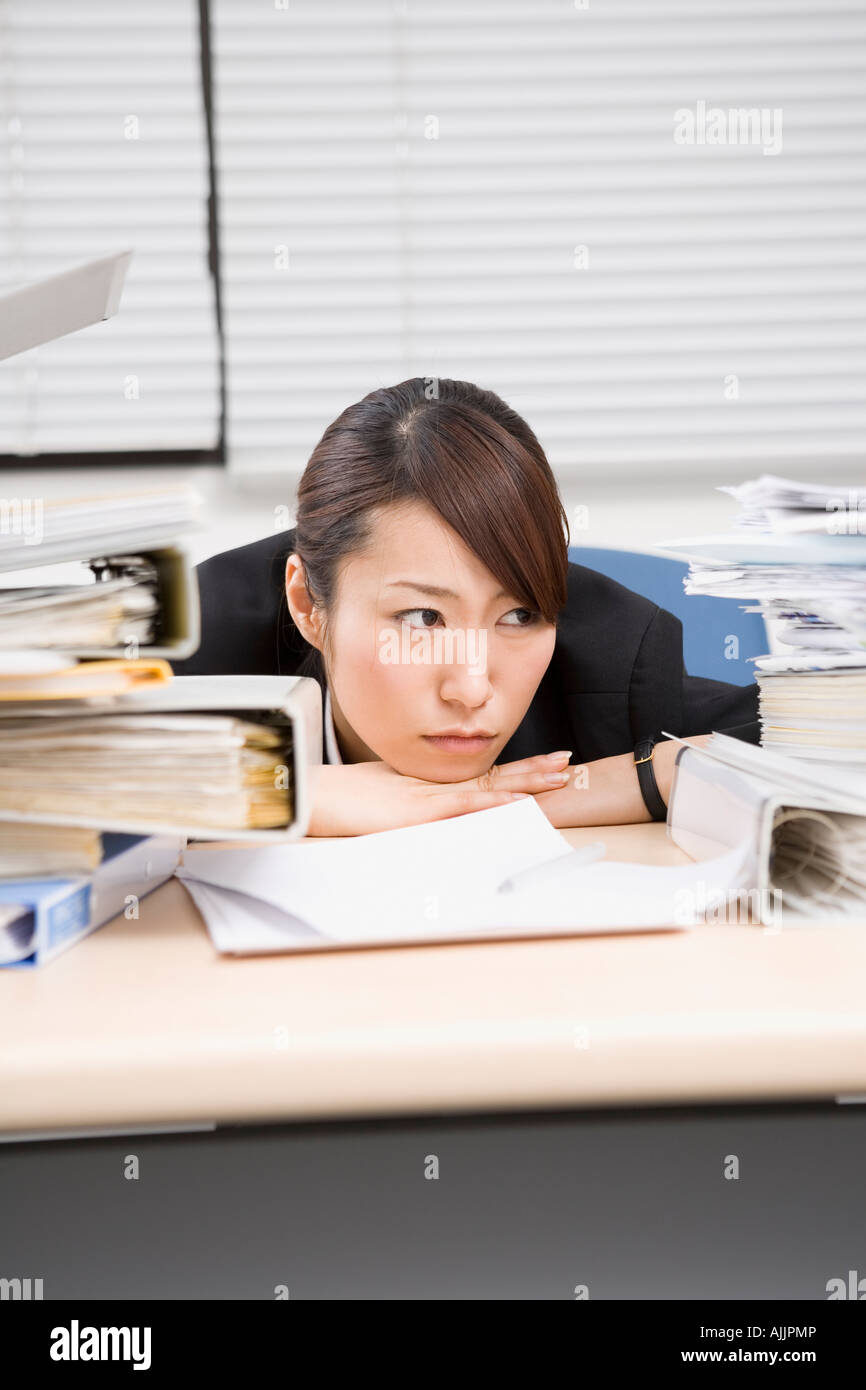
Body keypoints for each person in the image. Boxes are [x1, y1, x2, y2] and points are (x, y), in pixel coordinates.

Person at [171, 377, 759, 835]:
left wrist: (593, 790)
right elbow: (79, 772)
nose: (473, 688)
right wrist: (290, 793)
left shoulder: (610, 651)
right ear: (307, 605)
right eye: (423, 619)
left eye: (518, 616)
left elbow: (830, 742)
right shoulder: (193, 637)